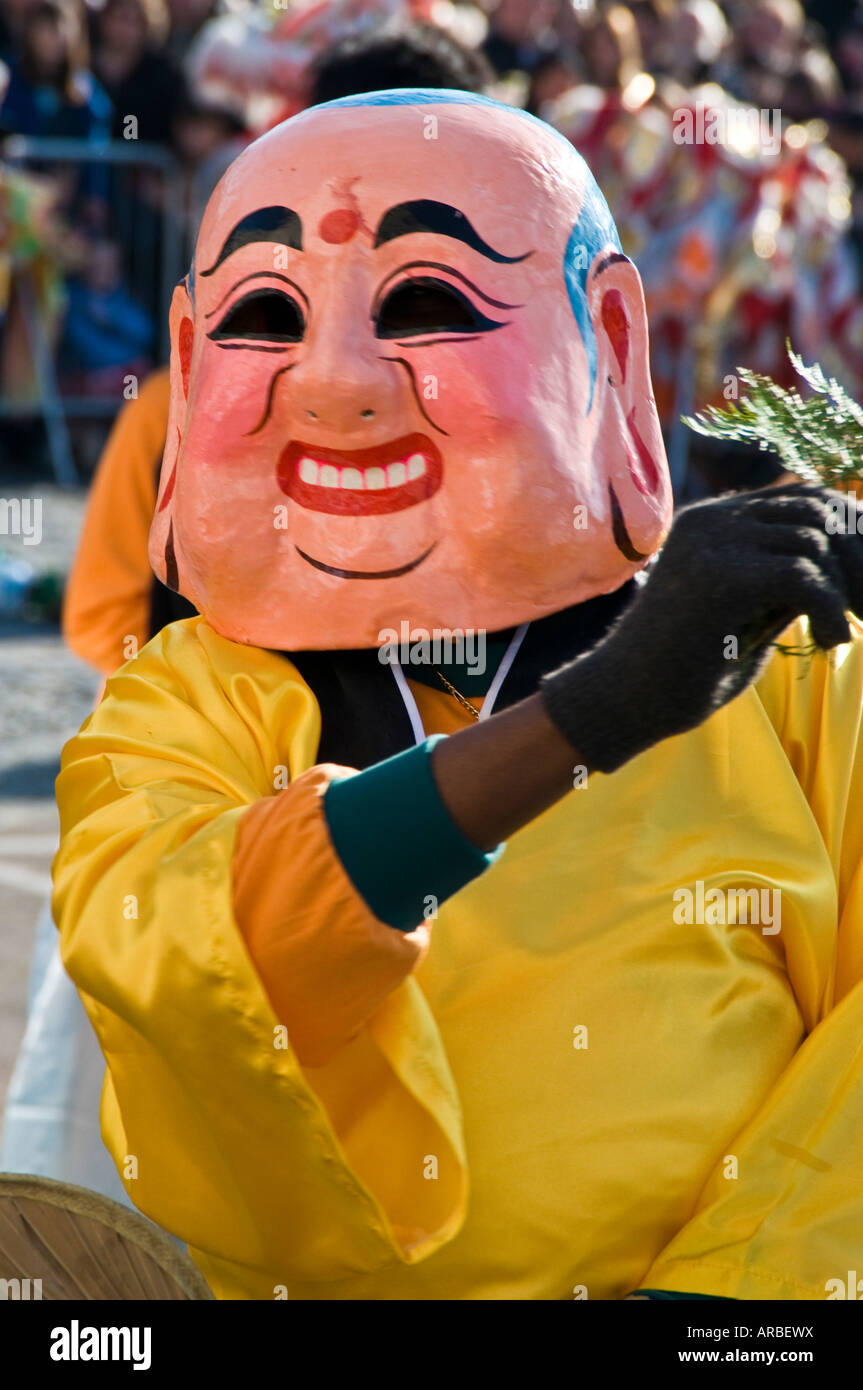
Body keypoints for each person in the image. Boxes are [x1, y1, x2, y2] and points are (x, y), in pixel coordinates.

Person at [52, 90, 863, 1301]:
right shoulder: (180, 703)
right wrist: (597, 717)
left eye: (426, 301)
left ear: (609, 341)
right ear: (184, 360)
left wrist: (731, 1301)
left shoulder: (783, 658)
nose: (336, 382)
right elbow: (177, 949)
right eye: (267, 315)